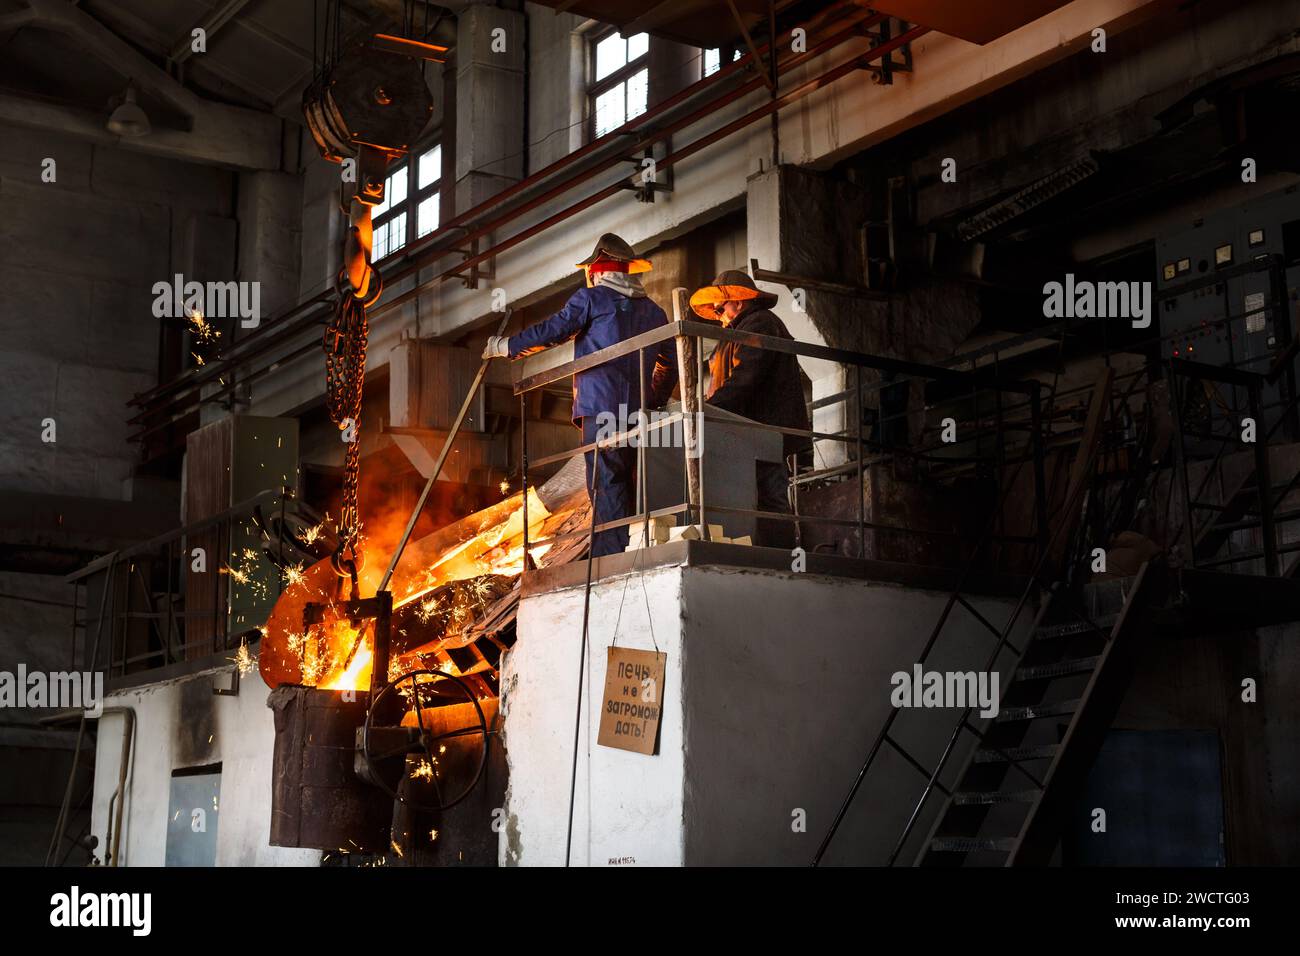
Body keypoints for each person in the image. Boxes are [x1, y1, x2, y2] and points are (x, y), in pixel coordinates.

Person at [483, 234, 677, 557]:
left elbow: (553, 330)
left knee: (606, 484)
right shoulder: (654, 313)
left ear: (597, 270)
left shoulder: (592, 300)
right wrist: (651, 401)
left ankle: (611, 560)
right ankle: (622, 552)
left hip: (599, 410)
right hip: (636, 417)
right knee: (626, 484)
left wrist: (505, 346)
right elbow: (669, 364)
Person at [689, 270, 810, 547]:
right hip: (746, 434)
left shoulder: (760, 325)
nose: (718, 315)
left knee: (769, 495)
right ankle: (765, 552)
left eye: (720, 308)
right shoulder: (737, 332)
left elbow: (746, 377)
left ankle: (781, 558)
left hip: (764, 431)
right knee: (752, 497)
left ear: (739, 302)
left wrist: (709, 410)